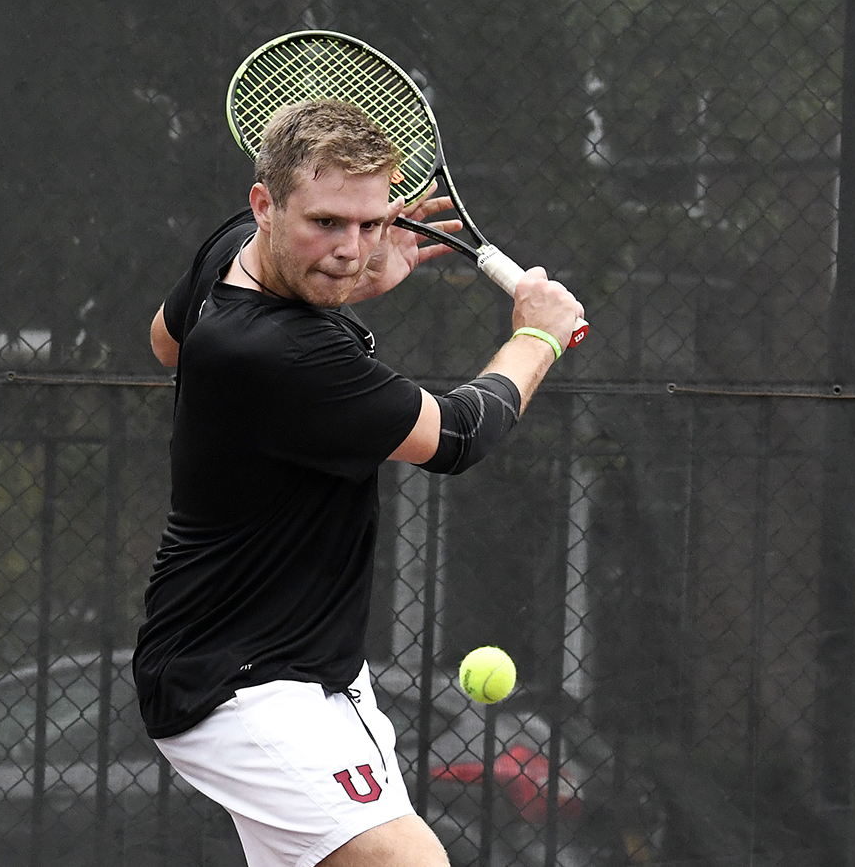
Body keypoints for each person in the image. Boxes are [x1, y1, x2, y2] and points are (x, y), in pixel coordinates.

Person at [133, 99, 585, 867]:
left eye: (371, 223)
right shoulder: (280, 353)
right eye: (326, 223)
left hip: (314, 671)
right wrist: (538, 334)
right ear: (264, 204)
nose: (351, 249)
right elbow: (458, 435)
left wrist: (344, 277)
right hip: (237, 684)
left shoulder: (233, 249)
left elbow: (166, 341)